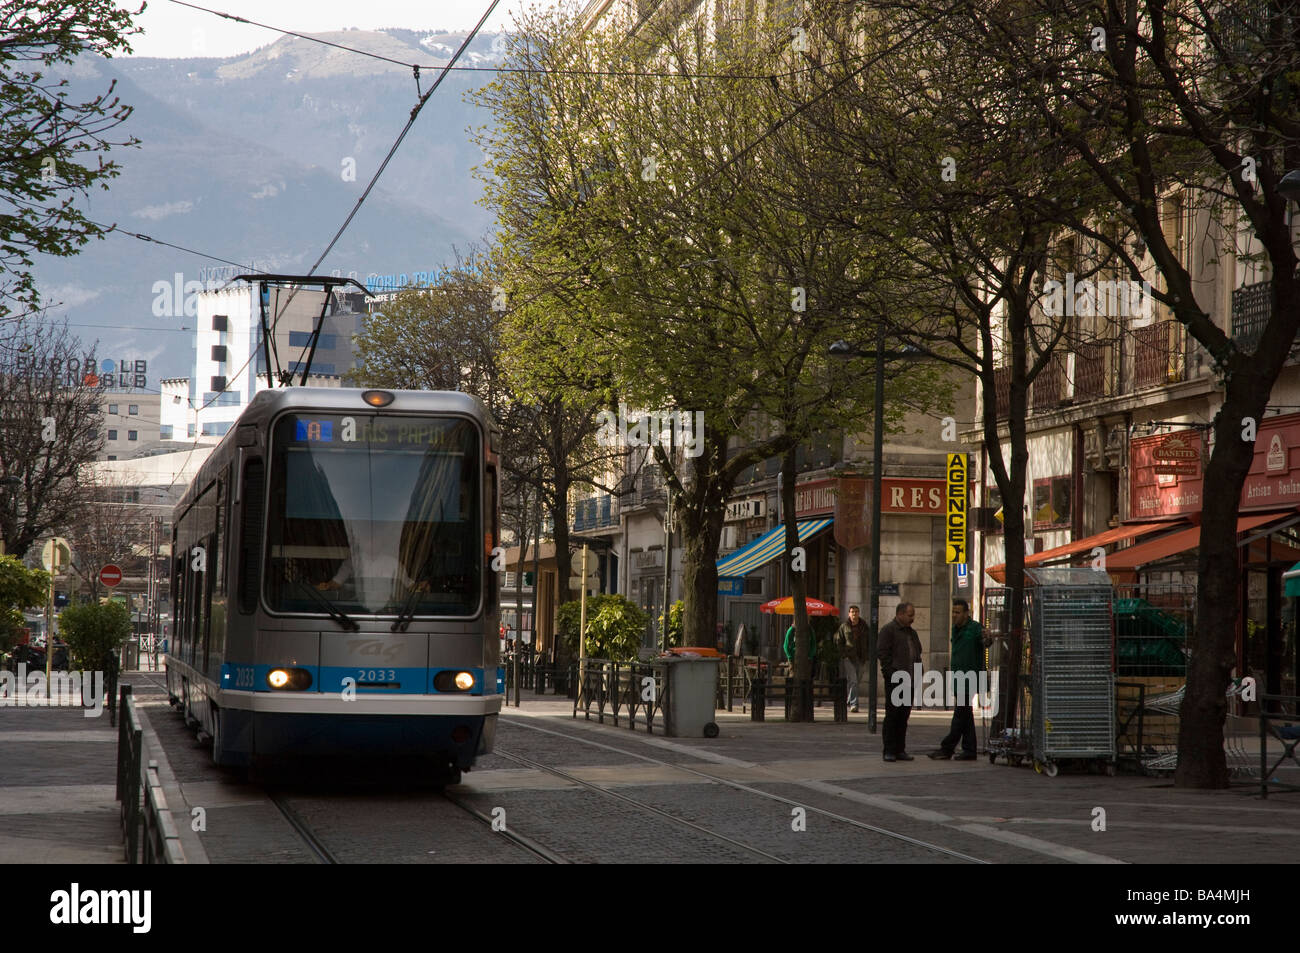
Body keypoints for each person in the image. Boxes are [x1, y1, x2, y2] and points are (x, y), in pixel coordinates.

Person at [930, 598, 993, 761]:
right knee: (965, 715)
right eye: (953, 612)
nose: (954, 615)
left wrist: (988, 637)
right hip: (959, 677)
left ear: (966, 614)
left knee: (960, 714)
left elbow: (986, 641)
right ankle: (969, 749)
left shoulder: (974, 628)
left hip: (971, 677)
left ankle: (947, 748)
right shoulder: (956, 629)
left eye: (957, 612)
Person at [876, 601, 921, 762]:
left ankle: (900, 749)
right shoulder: (889, 630)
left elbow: (917, 652)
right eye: (910, 615)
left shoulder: (911, 633)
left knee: (903, 715)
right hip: (896, 680)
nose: (912, 618)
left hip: (909, 680)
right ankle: (889, 750)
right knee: (893, 715)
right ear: (900, 614)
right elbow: (882, 653)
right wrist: (890, 673)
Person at [836, 605, 868, 713]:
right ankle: (854, 704)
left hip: (861, 658)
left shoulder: (864, 626)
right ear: (849, 614)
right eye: (852, 612)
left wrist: (867, 654)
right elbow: (838, 641)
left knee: (855, 680)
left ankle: (849, 699)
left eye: (856, 612)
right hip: (849, 658)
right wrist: (844, 654)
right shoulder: (844, 626)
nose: (854, 614)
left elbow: (869, 640)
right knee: (853, 680)